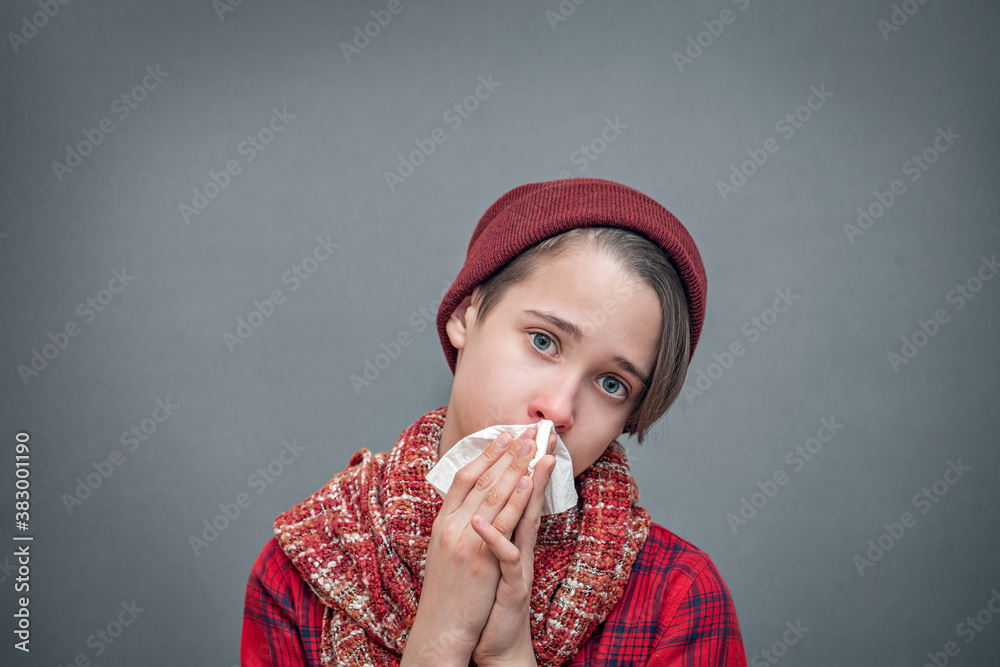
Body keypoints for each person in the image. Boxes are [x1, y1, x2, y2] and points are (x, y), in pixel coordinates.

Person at [241, 178, 747, 666]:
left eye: (612, 384)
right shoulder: (302, 571)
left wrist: (508, 656)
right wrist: (439, 639)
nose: (559, 409)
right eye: (543, 340)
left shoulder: (678, 598)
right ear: (466, 315)